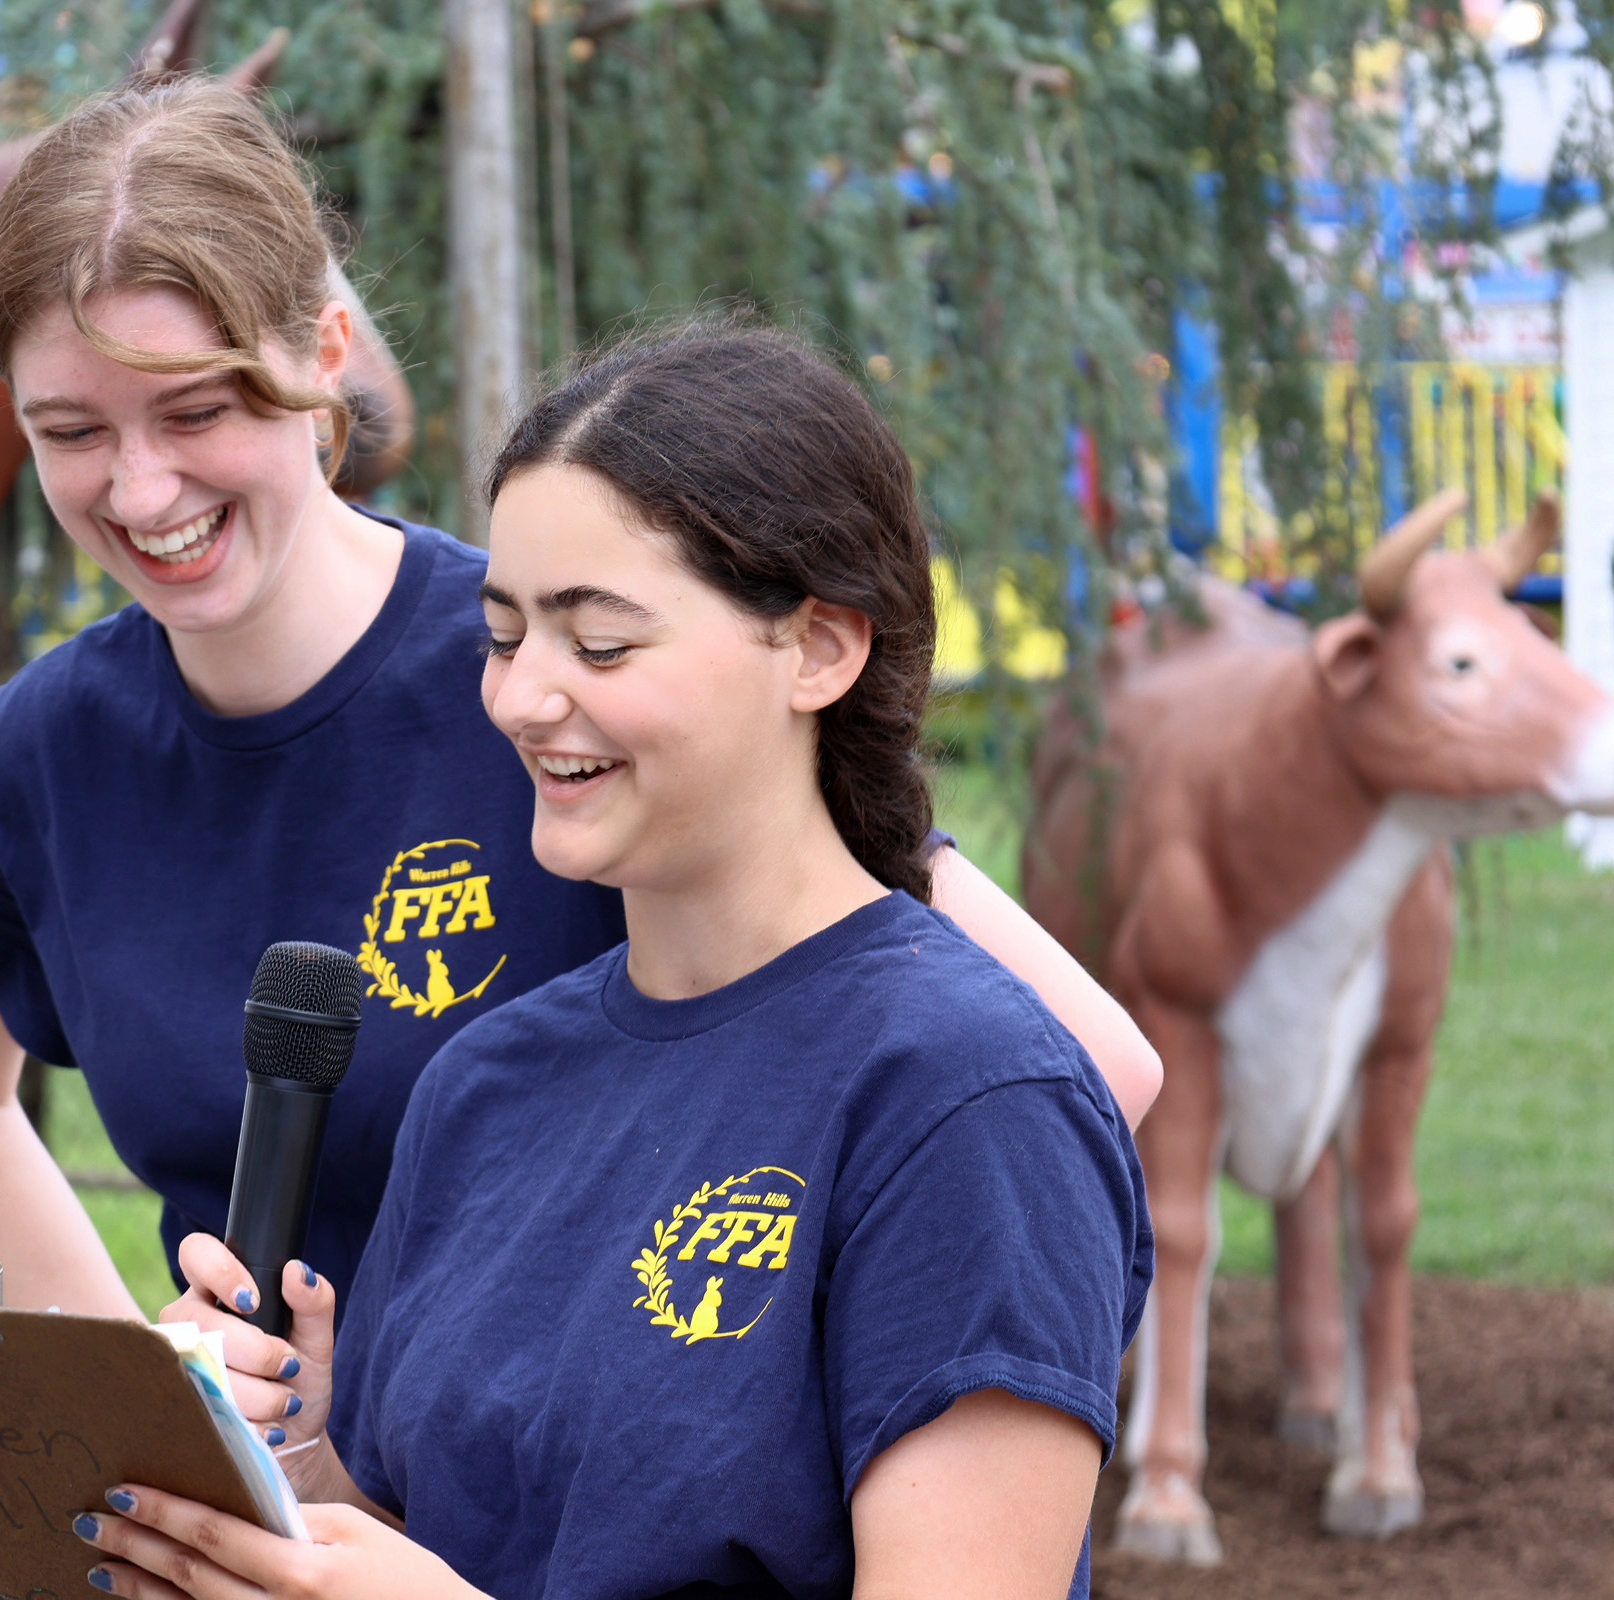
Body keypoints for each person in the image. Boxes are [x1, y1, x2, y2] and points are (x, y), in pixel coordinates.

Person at [0, 76, 1161, 1324]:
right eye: (72, 433)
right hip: (277, 1516)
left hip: (587, 1516)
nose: (142, 491)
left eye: (197, 410)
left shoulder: (576, 687)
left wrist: (737, 1380)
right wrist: (153, 1412)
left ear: (326, 356)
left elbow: (1081, 1060)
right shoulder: (38, 758)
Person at [73, 327, 1152, 1600]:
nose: (524, 697)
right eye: (504, 632)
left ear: (819, 648)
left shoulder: (970, 1102)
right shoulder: (485, 1080)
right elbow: (455, 1545)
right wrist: (285, 1477)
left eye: (600, 643)